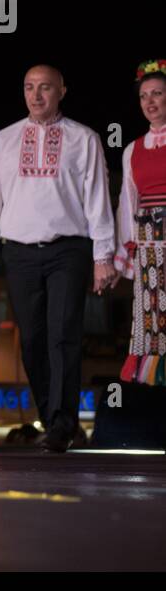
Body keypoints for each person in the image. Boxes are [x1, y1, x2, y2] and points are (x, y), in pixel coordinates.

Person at [0, 64, 117, 452]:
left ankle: (62, 424)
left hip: (69, 249)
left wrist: (104, 255)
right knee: (33, 340)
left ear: (62, 91)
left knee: (63, 334)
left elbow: (97, 199)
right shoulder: (3, 140)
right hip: (18, 253)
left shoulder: (83, 139)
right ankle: (51, 415)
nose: (36, 95)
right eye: (29, 88)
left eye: (46, 88)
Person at [115, 60, 166, 387]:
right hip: (149, 244)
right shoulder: (133, 149)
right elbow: (127, 201)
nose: (150, 102)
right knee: (151, 319)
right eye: (144, 96)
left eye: (158, 94)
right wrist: (128, 248)